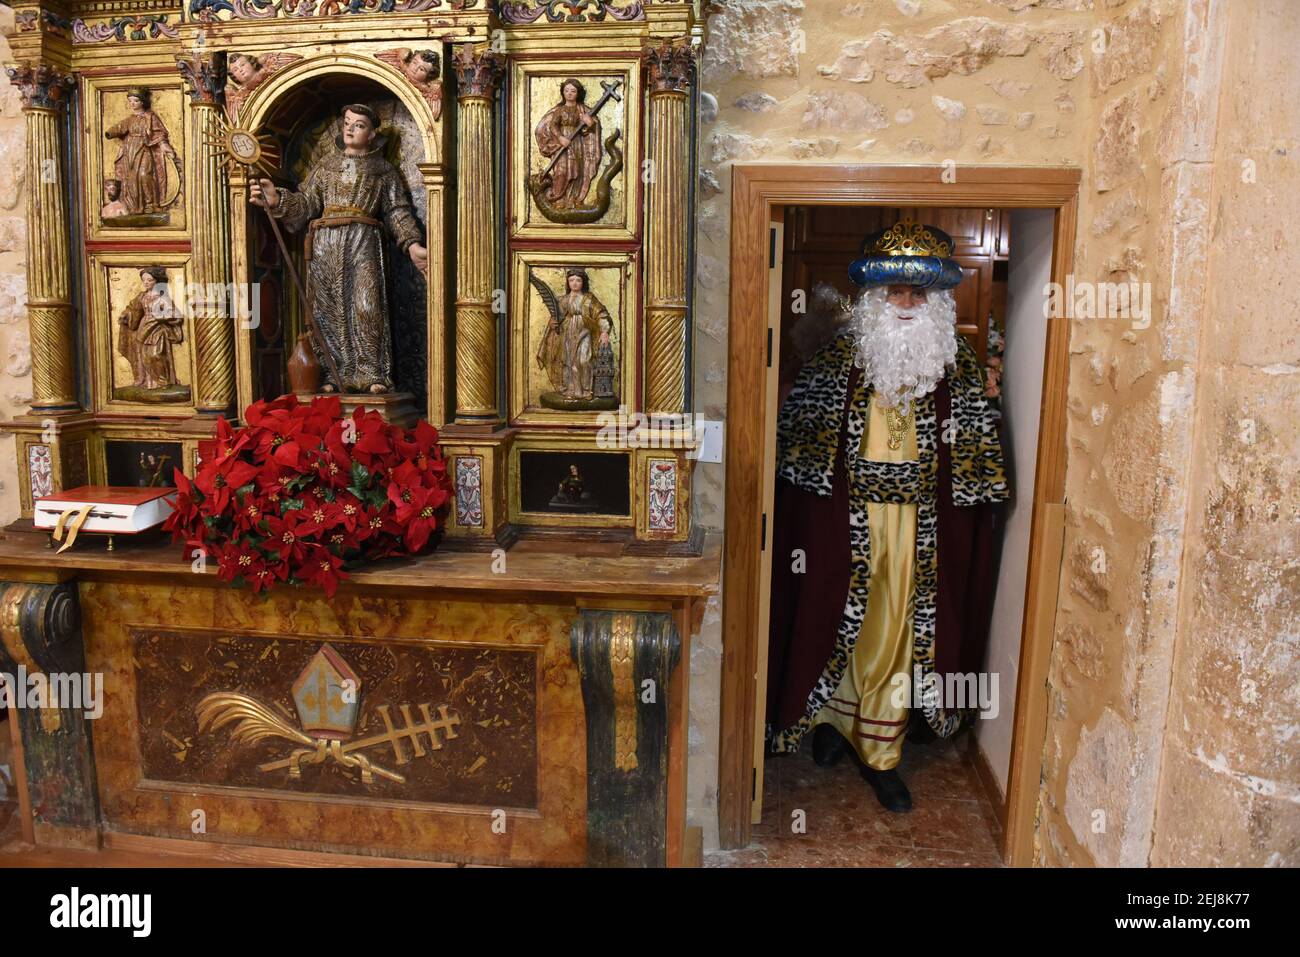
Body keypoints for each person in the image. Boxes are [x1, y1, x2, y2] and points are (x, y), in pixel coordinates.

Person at [765, 221, 1008, 813]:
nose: (904, 302)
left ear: (935, 301)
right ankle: (830, 720)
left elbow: (975, 467)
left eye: (916, 292)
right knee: (829, 614)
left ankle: (881, 749)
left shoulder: (957, 368)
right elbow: (798, 453)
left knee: (896, 628)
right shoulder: (834, 363)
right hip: (841, 523)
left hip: (917, 530)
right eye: (894, 291)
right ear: (875, 298)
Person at [249, 103, 428, 394]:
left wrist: (413, 245)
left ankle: (372, 373)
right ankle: (334, 374)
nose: (350, 129)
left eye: (359, 125)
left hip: (363, 241)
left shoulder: (383, 170)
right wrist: (277, 200)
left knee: (366, 306)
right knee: (326, 308)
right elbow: (306, 204)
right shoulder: (326, 166)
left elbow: (397, 211)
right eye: (347, 122)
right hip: (325, 243)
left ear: (372, 134)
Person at [104, 87, 179, 216]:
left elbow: (159, 133)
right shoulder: (130, 119)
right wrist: (110, 132)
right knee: (132, 178)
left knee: (144, 175)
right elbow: (120, 127)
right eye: (130, 101)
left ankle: (151, 204)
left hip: (144, 149)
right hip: (130, 151)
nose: (132, 104)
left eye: (135, 101)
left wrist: (165, 146)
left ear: (142, 102)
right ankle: (136, 206)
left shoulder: (150, 117)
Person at [533, 78, 602, 209]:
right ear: (563, 92)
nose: (569, 93)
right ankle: (558, 198)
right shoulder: (560, 110)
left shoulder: (581, 111)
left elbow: (586, 131)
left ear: (578, 93)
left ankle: (573, 199)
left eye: (573, 91)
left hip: (576, 143)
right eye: (567, 90)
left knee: (577, 171)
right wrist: (560, 138)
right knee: (562, 170)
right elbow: (553, 125)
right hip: (562, 143)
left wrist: (590, 124)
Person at [118, 267, 184, 394]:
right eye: (144, 280)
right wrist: (126, 314)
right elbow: (132, 308)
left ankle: (162, 381)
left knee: (155, 355)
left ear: (157, 281)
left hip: (157, 328)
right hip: (143, 327)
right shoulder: (142, 296)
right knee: (142, 355)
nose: (146, 283)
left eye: (150, 280)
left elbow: (175, 314)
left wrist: (161, 317)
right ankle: (147, 382)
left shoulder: (162, 297)